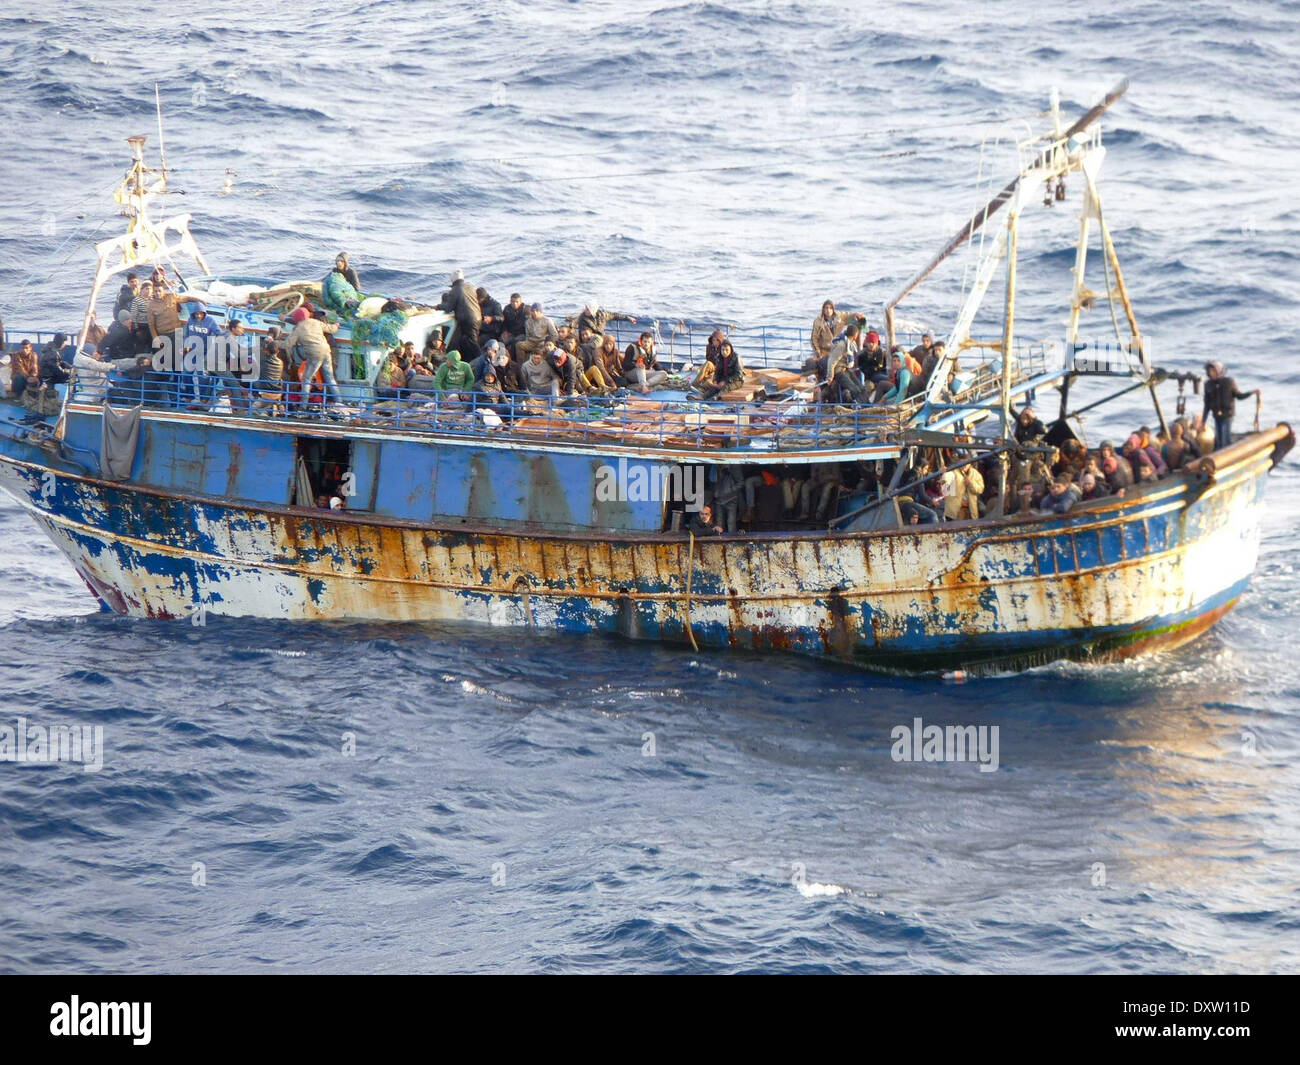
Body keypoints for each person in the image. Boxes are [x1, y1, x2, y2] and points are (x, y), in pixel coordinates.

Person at [289, 308, 341, 409]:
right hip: (326, 351)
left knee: (306, 379)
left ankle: (303, 406)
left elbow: (289, 343)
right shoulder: (316, 322)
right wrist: (337, 325)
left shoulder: (298, 328)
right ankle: (339, 402)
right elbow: (331, 329)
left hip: (314, 354)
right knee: (330, 378)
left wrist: (276, 343)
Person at [1203, 360, 1257, 451]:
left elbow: (1239, 396)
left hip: (1227, 415)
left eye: (1213, 371)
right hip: (1217, 416)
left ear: (1219, 371)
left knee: (1225, 440)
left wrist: (1251, 392)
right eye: (1209, 371)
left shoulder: (1228, 382)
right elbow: (1207, 405)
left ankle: (1225, 456)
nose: (1211, 373)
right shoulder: (1208, 385)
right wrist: (1203, 421)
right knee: (1219, 440)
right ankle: (1218, 456)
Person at [438, 269, 482, 361]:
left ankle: (482, 361)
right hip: (477, 318)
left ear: (452, 280)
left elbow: (448, 307)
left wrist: (438, 306)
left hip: (468, 320)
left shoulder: (455, 290)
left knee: (472, 342)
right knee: (468, 341)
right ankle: (470, 361)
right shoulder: (470, 287)